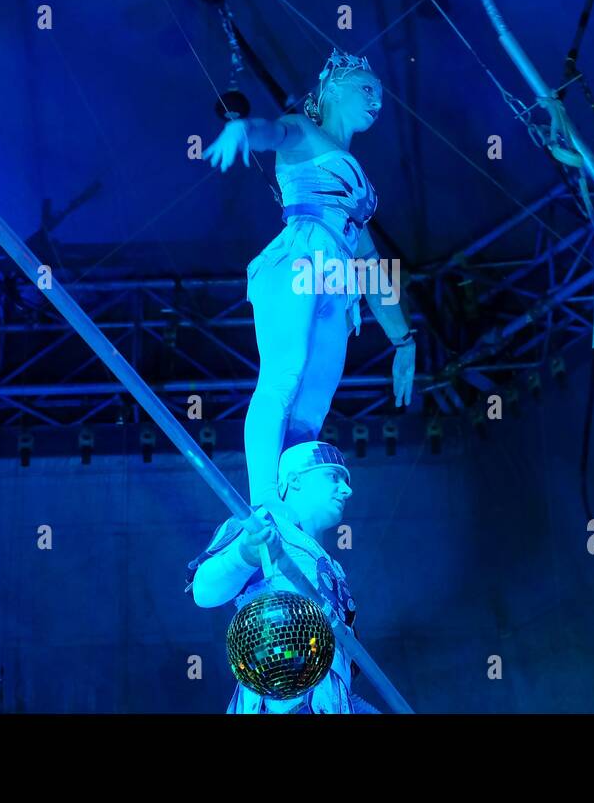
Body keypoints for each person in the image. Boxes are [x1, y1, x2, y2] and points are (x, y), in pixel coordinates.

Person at [203, 50, 415, 507]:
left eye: (379, 94)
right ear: (334, 87)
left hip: (338, 278)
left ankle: (291, 504)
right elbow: (271, 133)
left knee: (312, 407)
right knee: (285, 374)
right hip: (301, 260)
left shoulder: (356, 183)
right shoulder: (304, 130)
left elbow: (372, 264)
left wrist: (403, 340)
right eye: (366, 88)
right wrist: (244, 129)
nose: (376, 100)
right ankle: (262, 503)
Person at [186, 441, 379, 713]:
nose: (347, 490)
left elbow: (339, 667)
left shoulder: (331, 564)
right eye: (333, 476)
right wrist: (244, 555)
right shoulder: (263, 521)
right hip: (281, 696)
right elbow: (203, 591)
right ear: (295, 480)